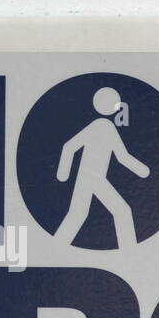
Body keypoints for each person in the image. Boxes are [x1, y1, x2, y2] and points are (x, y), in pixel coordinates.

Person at [54, 86, 150, 248]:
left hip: (92, 178)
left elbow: (121, 157)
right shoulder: (101, 125)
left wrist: (141, 170)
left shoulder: (105, 126)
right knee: (122, 212)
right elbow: (69, 146)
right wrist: (63, 173)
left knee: (78, 215)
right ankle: (130, 253)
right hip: (91, 178)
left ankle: (55, 249)